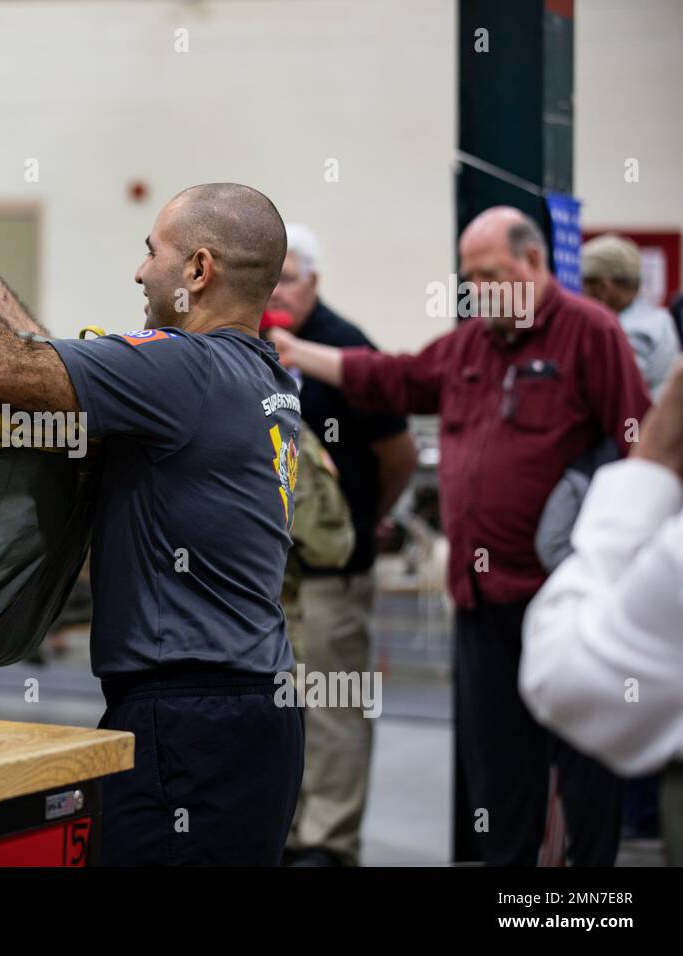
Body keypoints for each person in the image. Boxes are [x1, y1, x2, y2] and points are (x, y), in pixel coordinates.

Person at [0, 182, 304, 865]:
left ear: (198, 270)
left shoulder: (183, 369)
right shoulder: (254, 376)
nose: (138, 270)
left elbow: (2, 368)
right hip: (247, 713)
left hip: (189, 719)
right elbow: (48, 360)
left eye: (151, 251)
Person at [269, 206, 652, 866]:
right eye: (470, 278)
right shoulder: (471, 344)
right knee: (501, 773)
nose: (479, 291)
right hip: (481, 600)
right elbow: (393, 376)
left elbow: (638, 441)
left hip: (564, 598)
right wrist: (298, 353)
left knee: (584, 767)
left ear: (534, 264)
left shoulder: (589, 334)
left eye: (492, 274)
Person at [266, 225, 418, 866]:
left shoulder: (344, 347)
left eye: (289, 278)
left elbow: (400, 456)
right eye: (268, 277)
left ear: (316, 281)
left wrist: (362, 520)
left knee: (334, 707)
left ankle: (327, 844)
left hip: (332, 575)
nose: (276, 291)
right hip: (269, 576)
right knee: (276, 709)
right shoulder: (249, 346)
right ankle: (283, 831)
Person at [520, 357, 683, 864]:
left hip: (596, 631)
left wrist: (647, 475)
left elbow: (562, 676)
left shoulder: (607, 470)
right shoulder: (584, 468)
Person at [580, 233, 680, 398]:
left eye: (583, 284)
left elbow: (607, 391)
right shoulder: (660, 318)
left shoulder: (629, 333)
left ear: (604, 288)